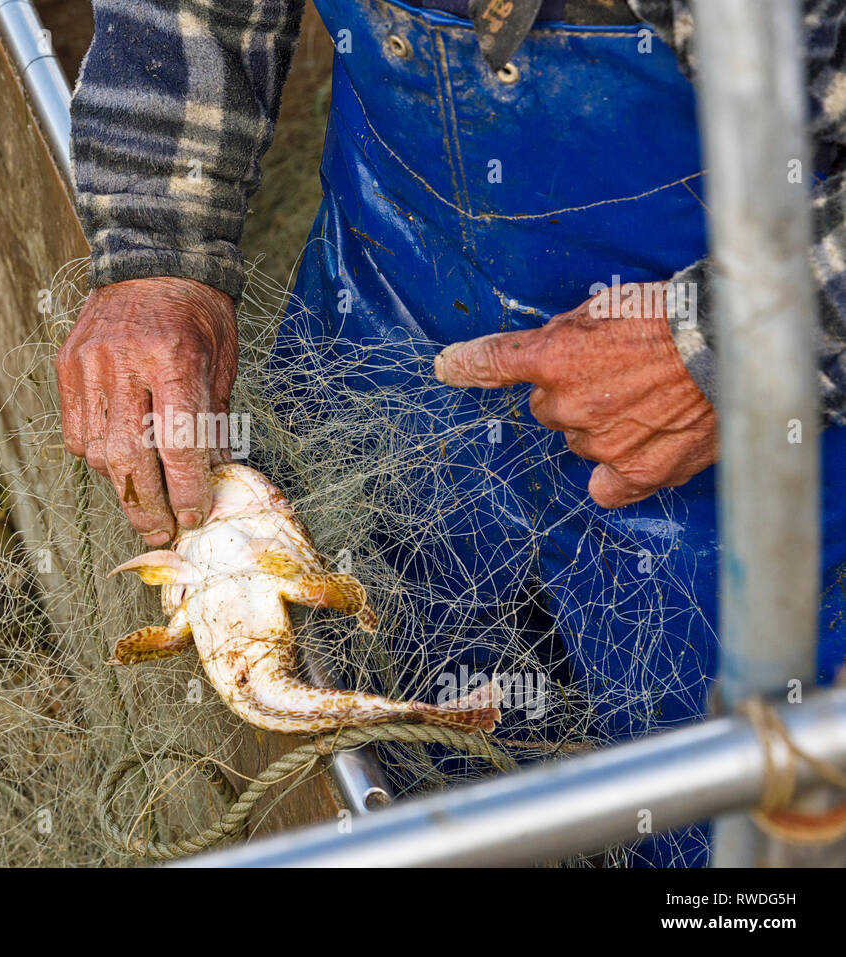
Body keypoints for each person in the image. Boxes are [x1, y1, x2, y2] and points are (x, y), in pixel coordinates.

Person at [55, 0, 846, 864]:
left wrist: (741, 343)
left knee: (733, 821)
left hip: (742, 454)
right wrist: (156, 247)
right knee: (418, 761)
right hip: (389, 319)